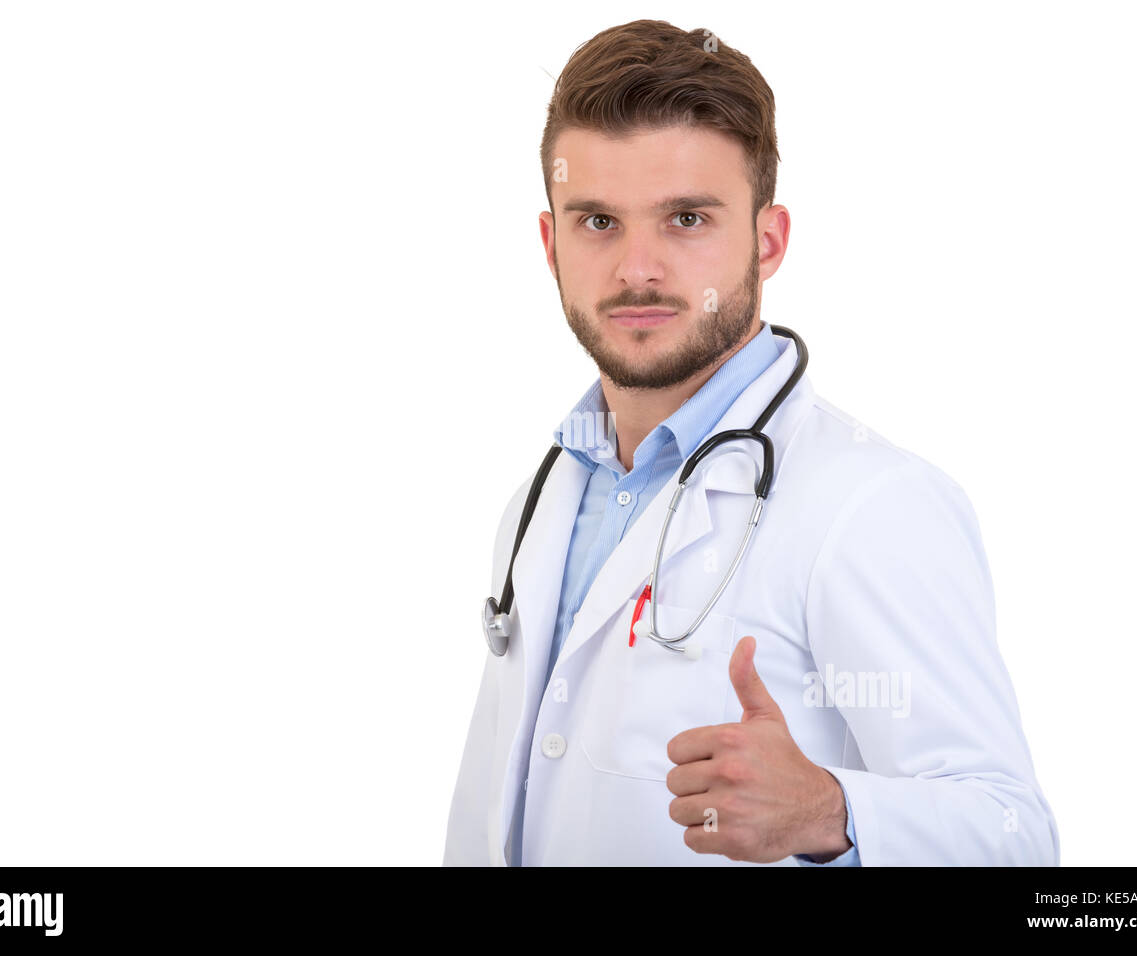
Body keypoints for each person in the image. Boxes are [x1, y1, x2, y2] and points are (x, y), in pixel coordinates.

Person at [443, 19, 1059, 866]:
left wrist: (835, 814)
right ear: (550, 245)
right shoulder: (544, 496)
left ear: (768, 242)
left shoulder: (870, 505)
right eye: (597, 222)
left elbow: (1013, 834)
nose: (637, 270)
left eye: (687, 218)